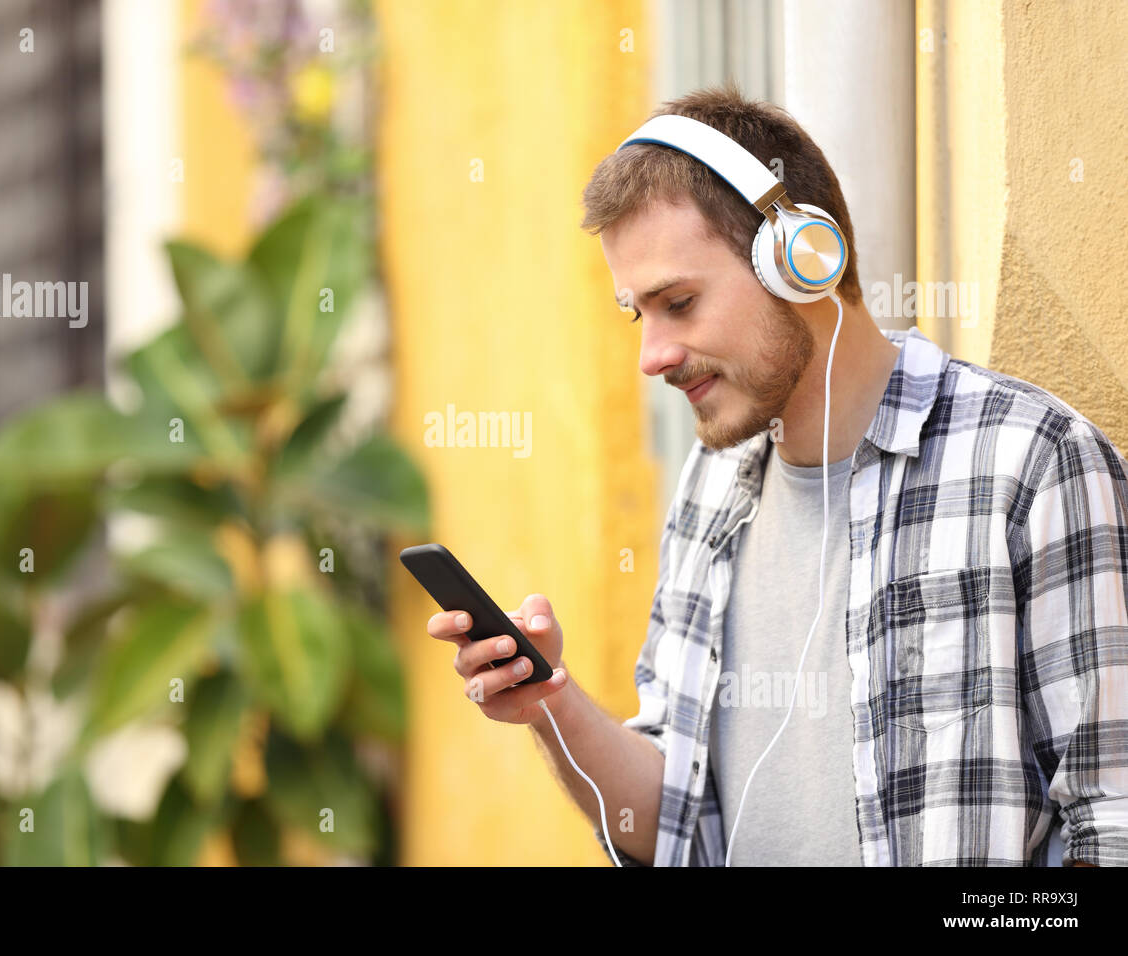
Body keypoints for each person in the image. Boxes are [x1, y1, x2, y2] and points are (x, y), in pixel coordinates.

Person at [426, 83, 1127, 866]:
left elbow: (1112, 818)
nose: (652, 356)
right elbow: (676, 820)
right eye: (638, 314)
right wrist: (549, 702)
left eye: (678, 302)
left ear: (803, 259)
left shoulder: (1030, 462)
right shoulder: (710, 485)